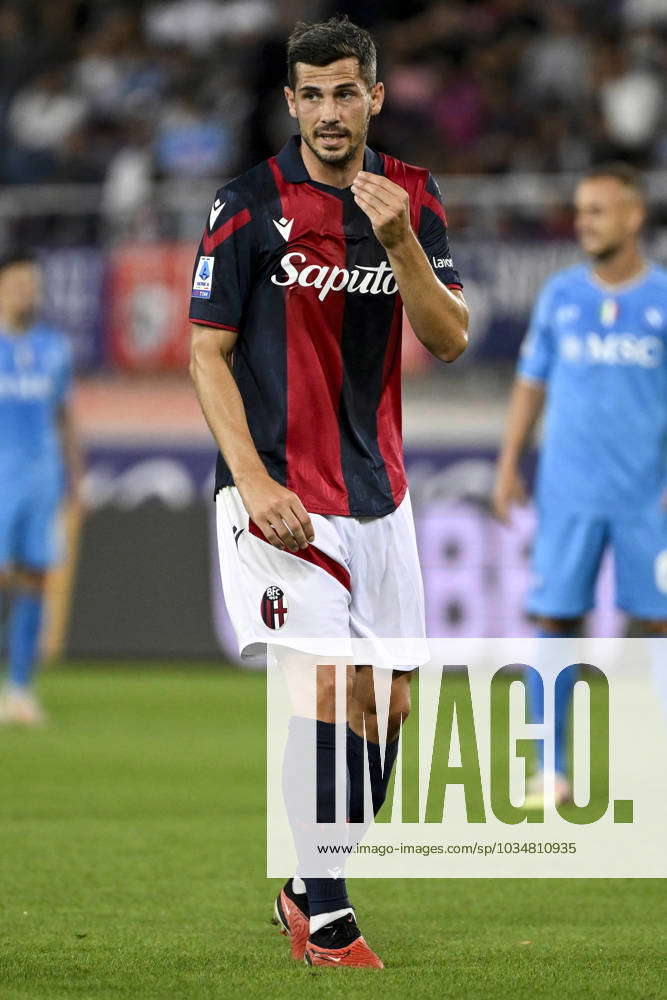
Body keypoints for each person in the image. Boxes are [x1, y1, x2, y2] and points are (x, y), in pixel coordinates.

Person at [188, 16, 468, 969]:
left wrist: (401, 247)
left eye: (346, 91)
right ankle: (333, 923)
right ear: (291, 102)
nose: (329, 111)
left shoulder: (413, 199)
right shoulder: (246, 204)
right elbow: (205, 352)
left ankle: (305, 888)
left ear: (375, 96)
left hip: (376, 492)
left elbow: (449, 338)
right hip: (278, 495)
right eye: (311, 94)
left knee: (387, 709)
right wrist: (254, 478)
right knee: (327, 689)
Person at [493, 163, 667, 804]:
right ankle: (553, 769)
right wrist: (509, 462)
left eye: (598, 210)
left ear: (633, 216)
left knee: (661, 625)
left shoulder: (663, 300)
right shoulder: (561, 296)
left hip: (649, 496)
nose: (585, 221)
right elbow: (532, 382)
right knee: (554, 620)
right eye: (581, 210)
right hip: (568, 493)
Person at [0, 251, 81, 725]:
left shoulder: (55, 347)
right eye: (17, 284)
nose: (27, 292)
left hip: (41, 478)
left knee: (34, 577)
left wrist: (75, 475)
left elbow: (65, 416)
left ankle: (19, 688)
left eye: (32, 284)